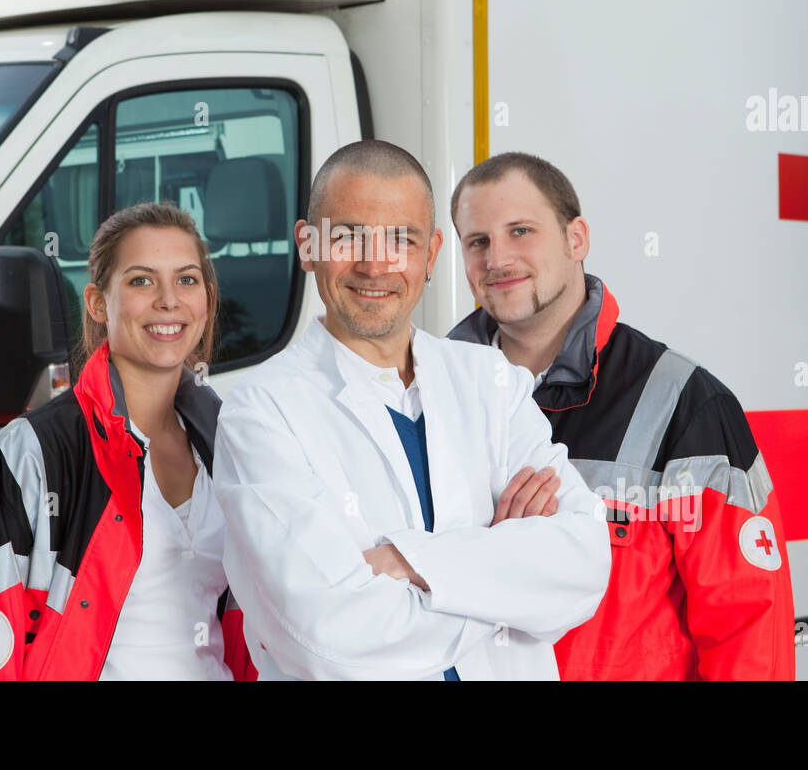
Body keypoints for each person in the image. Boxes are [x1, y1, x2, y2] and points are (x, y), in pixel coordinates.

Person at [212, 141, 611, 680]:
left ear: (430, 255)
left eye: (401, 239)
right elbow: (328, 637)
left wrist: (406, 562)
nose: (376, 265)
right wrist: (505, 587)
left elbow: (583, 565)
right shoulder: (261, 411)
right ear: (308, 246)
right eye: (349, 235)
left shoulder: (492, 382)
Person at [447, 152, 796, 680]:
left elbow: (748, 627)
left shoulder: (684, 403)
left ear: (576, 239)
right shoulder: (426, 395)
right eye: (478, 241)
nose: (497, 258)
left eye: (521, 231)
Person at [0, 202, 252, 680]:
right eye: (141, 280)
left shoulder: (231, 442)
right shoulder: (37, 453)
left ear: (207, 300)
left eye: (187, 280)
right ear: (97, 302)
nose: (169, 300)